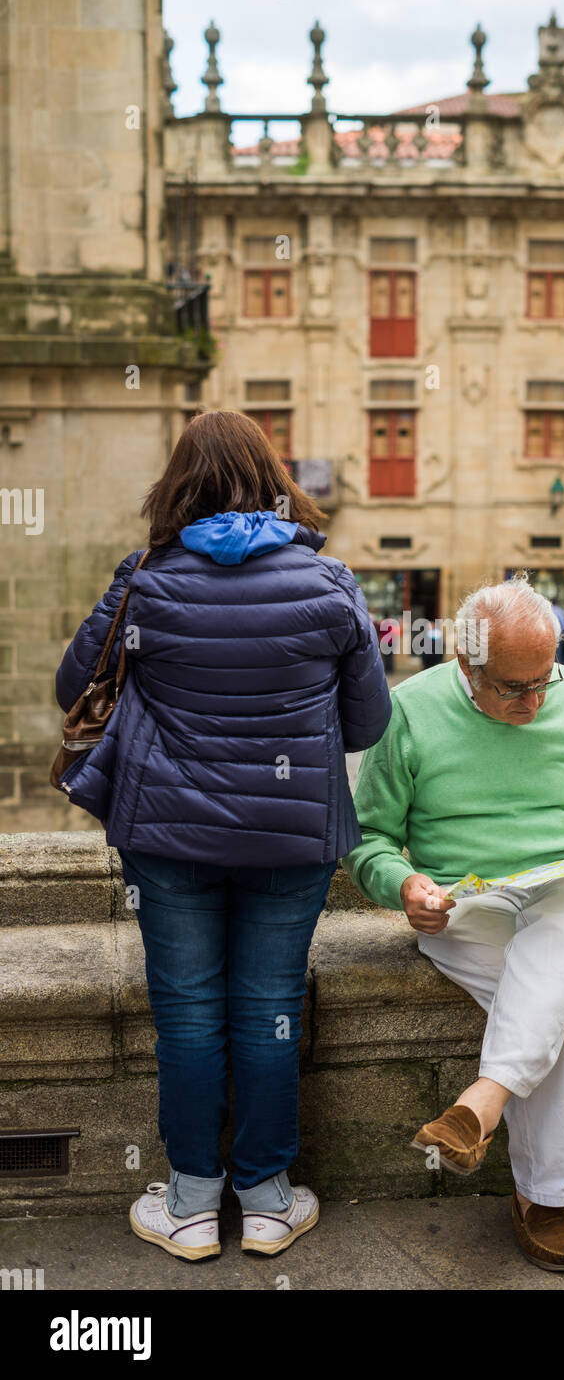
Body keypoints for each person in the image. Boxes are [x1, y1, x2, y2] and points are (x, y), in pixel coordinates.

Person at [55, 411, 392, 1262]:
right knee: (271, 1012)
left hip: (169, 840)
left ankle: (194, 1205)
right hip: (291, 840)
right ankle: (271, 1201)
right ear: (276, 480)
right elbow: (366, 724)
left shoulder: (145, 580)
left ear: (177, 486)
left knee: (189, 1015)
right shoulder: (329, 582)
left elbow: (73, 685)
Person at [343, 574, 564, 1273]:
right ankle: (540, 1195)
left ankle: (483, 1109)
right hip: (469, 902)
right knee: (541, 997)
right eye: (512, 688)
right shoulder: (407, 711)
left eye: (542, 682)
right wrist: (405, 884)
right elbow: (367, 836)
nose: (533, 700)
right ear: (465, 665)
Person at [551, 598, 564, 666]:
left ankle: (556, 668)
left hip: (558, 633)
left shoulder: (552, 610)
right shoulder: (561, 610)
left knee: (556, 654)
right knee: (563, 653)